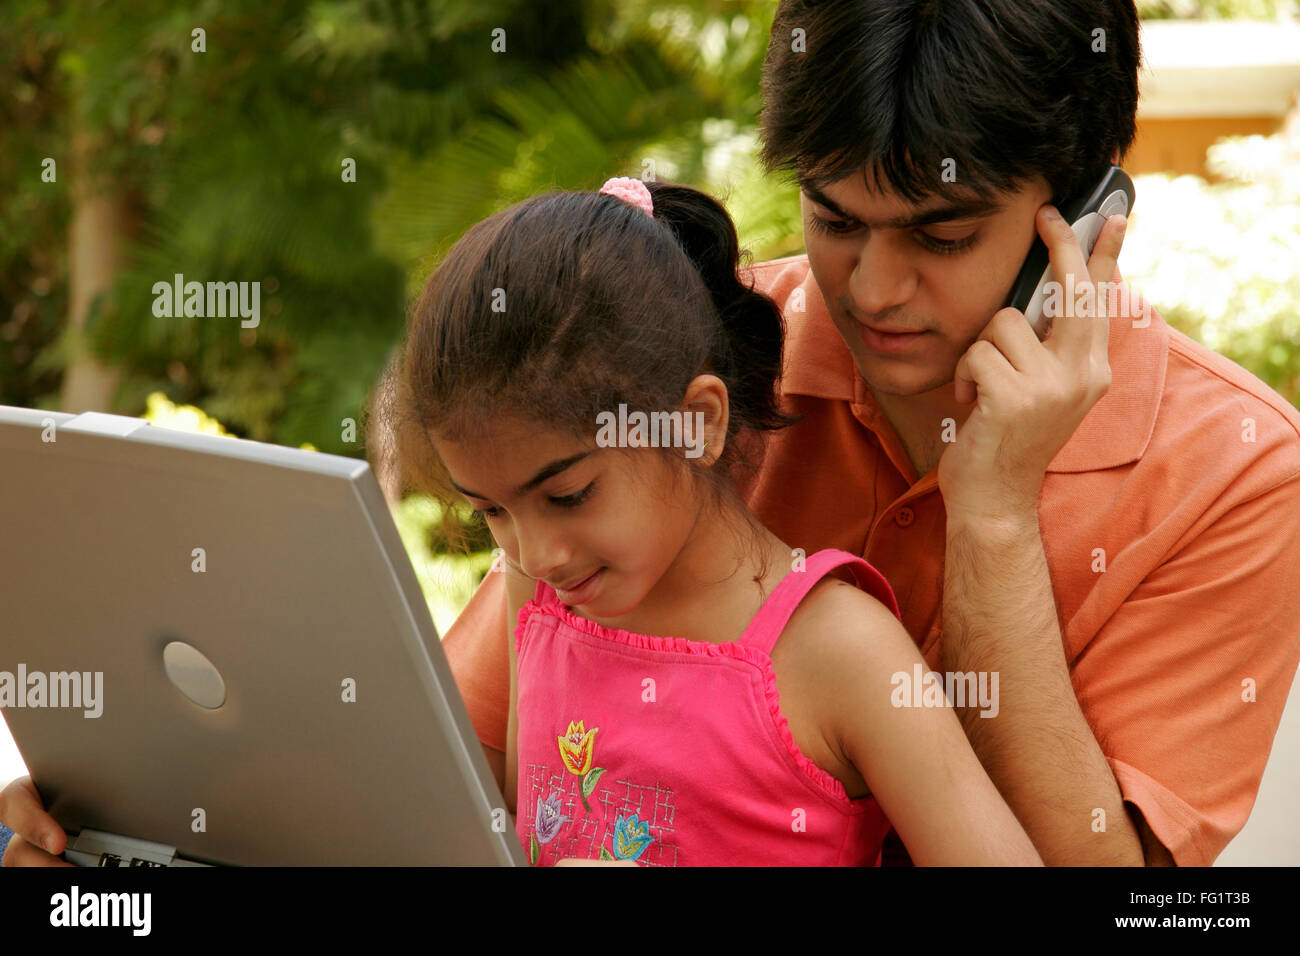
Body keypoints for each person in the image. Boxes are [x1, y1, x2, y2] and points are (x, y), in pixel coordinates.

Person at [5, 0, 1299, 868]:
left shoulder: (1240, 474)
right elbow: (439, 752)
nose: (873, 290)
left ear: (1087, 214)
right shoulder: (698, 355)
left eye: (945, 238)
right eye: (836, 219)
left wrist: (1000, 514)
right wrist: (144, 813)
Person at [404, 175, 1041, 866]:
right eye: (490, 510)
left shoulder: (841, 652)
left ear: (694, 424)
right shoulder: (546, 599)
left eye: (570, 495)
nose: (534, 552)